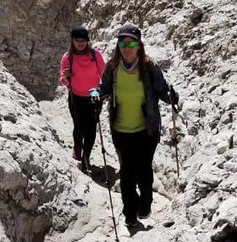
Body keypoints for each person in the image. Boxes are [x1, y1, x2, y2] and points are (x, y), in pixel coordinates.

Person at [89, 23, 179, 227]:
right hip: (121, 130)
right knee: (127, 172)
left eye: (130, 42)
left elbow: (162, 91)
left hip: (147, 130)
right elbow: (103, 89)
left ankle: (145, 203)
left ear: (139, 45)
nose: (126, 47)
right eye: (122, 42)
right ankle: (130, 213)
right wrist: (96, 94)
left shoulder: (149, 67)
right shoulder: (112, 67)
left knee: (144, 170)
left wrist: (171, 96)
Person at [59, 26, 106, 173]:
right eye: (77, 40)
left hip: (94, 97)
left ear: (87, 41)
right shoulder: (67, 58)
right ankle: (77, 146)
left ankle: (86, 159)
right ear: (72, 41)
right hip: (76, 98)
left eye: (83, 40)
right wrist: (67, 77)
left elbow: (104, 74)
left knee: (91, 129)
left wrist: (103, 91)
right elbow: (63, 82)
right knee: (79, 127)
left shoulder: (95, 55)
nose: (80, 43)